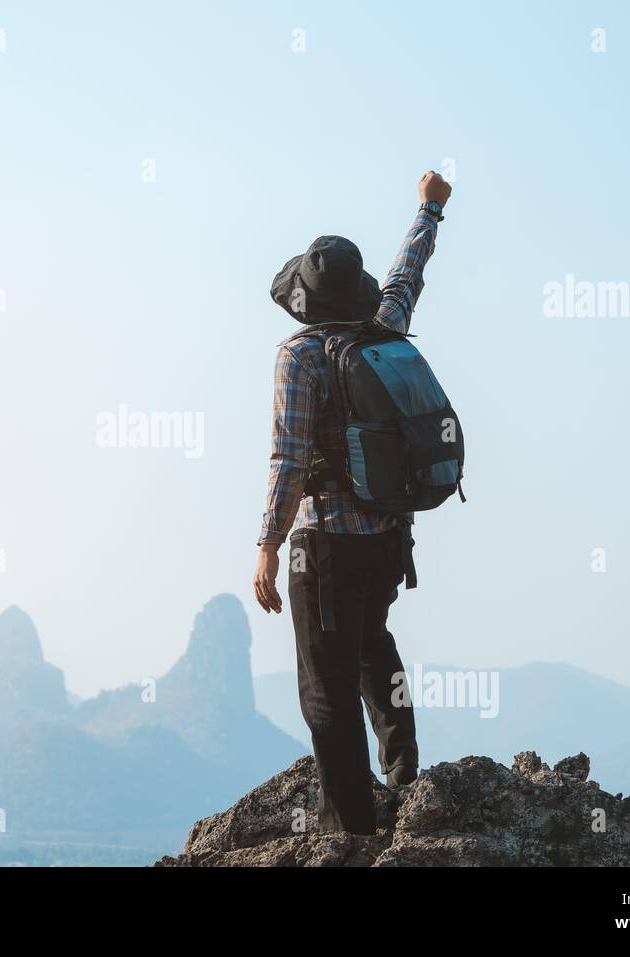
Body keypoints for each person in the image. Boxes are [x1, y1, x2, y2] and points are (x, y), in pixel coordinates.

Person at [252, 171, 452, 834]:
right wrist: (428, 210)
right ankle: (402, 771)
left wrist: (268, 545)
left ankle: (353, 827)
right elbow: (405, 278)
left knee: (324, 689)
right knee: (373, 644)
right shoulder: (383, 328)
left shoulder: (300, 355)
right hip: (389, 536)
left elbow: (287, 457)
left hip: (327, 545)